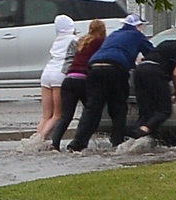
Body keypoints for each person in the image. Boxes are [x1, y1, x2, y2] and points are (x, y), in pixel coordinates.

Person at [65, 13, 153, 152]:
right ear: (138, 26)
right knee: (118, 107)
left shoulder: (114, 35)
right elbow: (152, 53)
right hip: (115, 68)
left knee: (93, 108)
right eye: (142, 26)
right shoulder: (137, 35)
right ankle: (117, 143)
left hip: (94, 67)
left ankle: (78, 143)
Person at [50, 19, 107, 151]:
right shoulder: (100, 42)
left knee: (66, 116)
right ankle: (80, 141)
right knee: (91, 112)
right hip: (84, 80)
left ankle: (54, 144)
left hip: (69, 80)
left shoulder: (81, 41)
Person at [132, 27, 176, 138]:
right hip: (155, 73)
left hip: (139, 71)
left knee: (146, 110)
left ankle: (135, 138)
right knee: (164, 110)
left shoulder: (166, 43)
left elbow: (175, 61)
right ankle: (144, 129)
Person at [35, 15, 77, 140]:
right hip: (59, 76)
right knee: (57, 115)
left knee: (46, 116)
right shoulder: (75, 40)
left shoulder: (57, 40)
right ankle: (40, 140)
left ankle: (35, 138)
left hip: (46, 74)